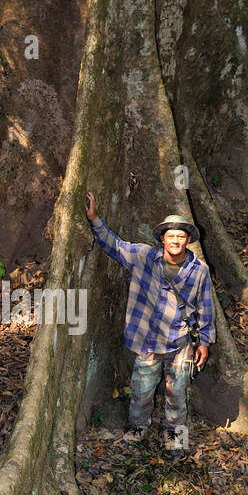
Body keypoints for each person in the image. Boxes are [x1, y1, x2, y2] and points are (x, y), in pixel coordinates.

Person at [84, 190, 215, 458]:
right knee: (141, 390)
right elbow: (115, 245)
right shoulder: (144, 257)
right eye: (171, 235)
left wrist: (204, 342)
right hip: (147, 340)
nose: (176, 240)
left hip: (179, 344)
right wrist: (95, 219)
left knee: (177, 394)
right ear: (163, 239)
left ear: (188, 240)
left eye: (181, 236)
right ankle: (137, 429)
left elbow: (206, 306)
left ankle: (176, 438)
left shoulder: (198, 270)